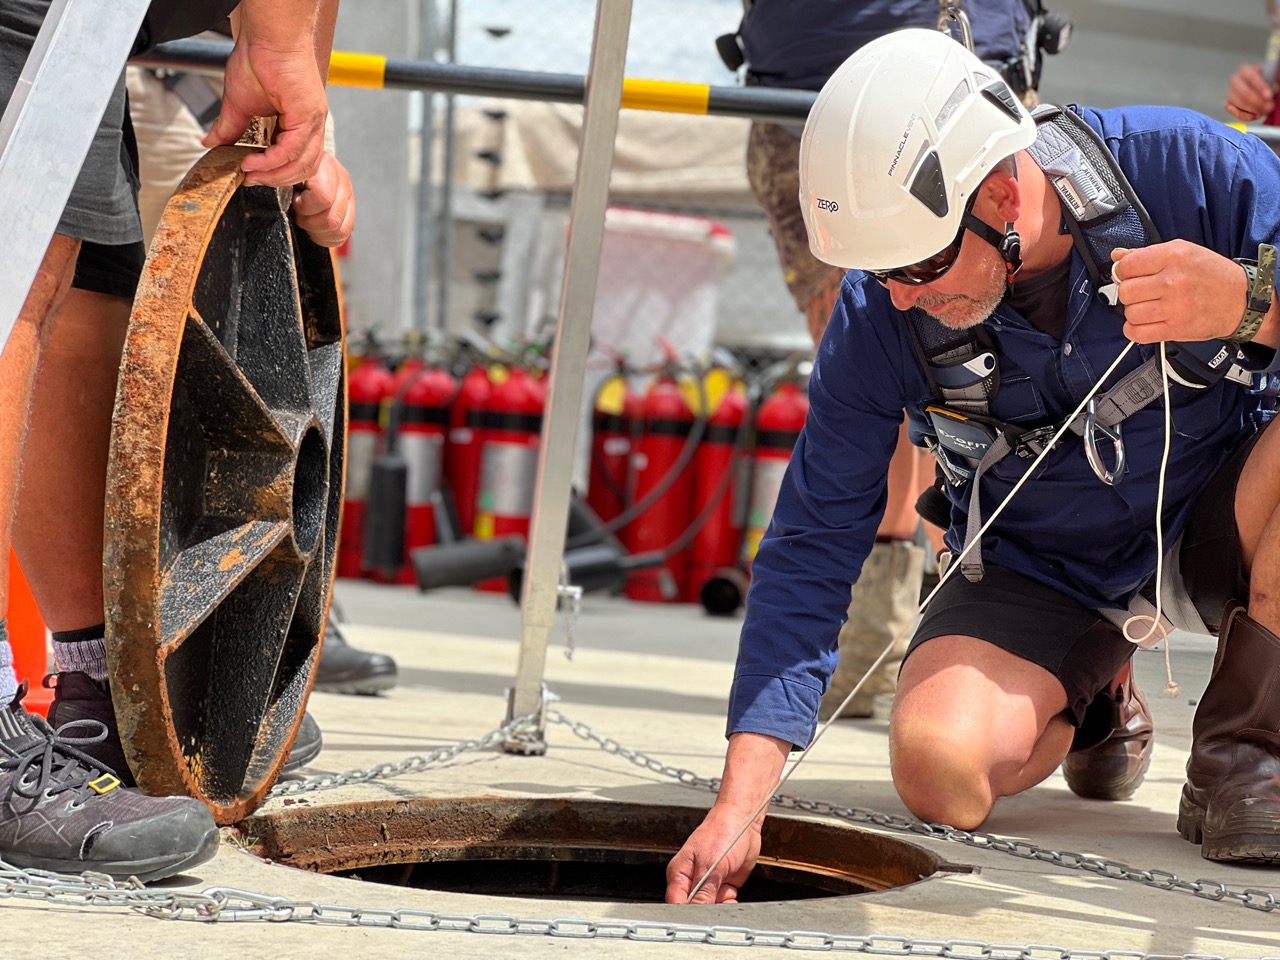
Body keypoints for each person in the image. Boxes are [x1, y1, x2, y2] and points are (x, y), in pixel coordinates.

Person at [667, 27, 1280, 903]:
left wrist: (1251, 304)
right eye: (880, 274)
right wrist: (743, 798)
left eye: (918, 264)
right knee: (938, 774)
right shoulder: (882, 305)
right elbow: (812, 537)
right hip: (1044, 561)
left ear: (998, 191)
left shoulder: (1190, 172)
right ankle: (1093, 691)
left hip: (1227, 518)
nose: (902, 297)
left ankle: (1249, 751)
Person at [0, 0, 347, 881]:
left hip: (91, 18)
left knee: (80, 271)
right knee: (12, 258)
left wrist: (300, 112)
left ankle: (104, 687)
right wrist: (275, 46)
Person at [725, 0, 1057, 721]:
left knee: (970, 387)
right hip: (809, 95)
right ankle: (887, 632)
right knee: (876, 360)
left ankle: (964, 623)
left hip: (955, 90)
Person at [126, 47, 398, 695]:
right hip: (136, 70)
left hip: (262, 71)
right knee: (130, 364)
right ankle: (123, 637)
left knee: (274, 342)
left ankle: (274, 620)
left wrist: (300, 112)